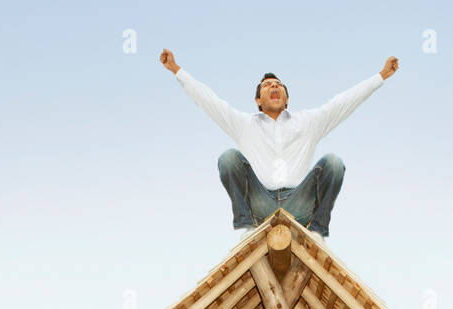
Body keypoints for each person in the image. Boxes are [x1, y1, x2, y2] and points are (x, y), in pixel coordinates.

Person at [160, 49, 398, 240]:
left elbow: (344, 102)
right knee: (228, 158)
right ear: (258, 101)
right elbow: (209, 101)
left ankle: (316, 230)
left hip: (299, 203)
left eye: (278, 85)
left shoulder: (308, 122)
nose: (274, 86)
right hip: (260, 201)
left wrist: (381, 76)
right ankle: (248, 226)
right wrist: (176, 70)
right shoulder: (245, 124)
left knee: (334, 163)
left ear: (286, 99)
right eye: (267, 85)